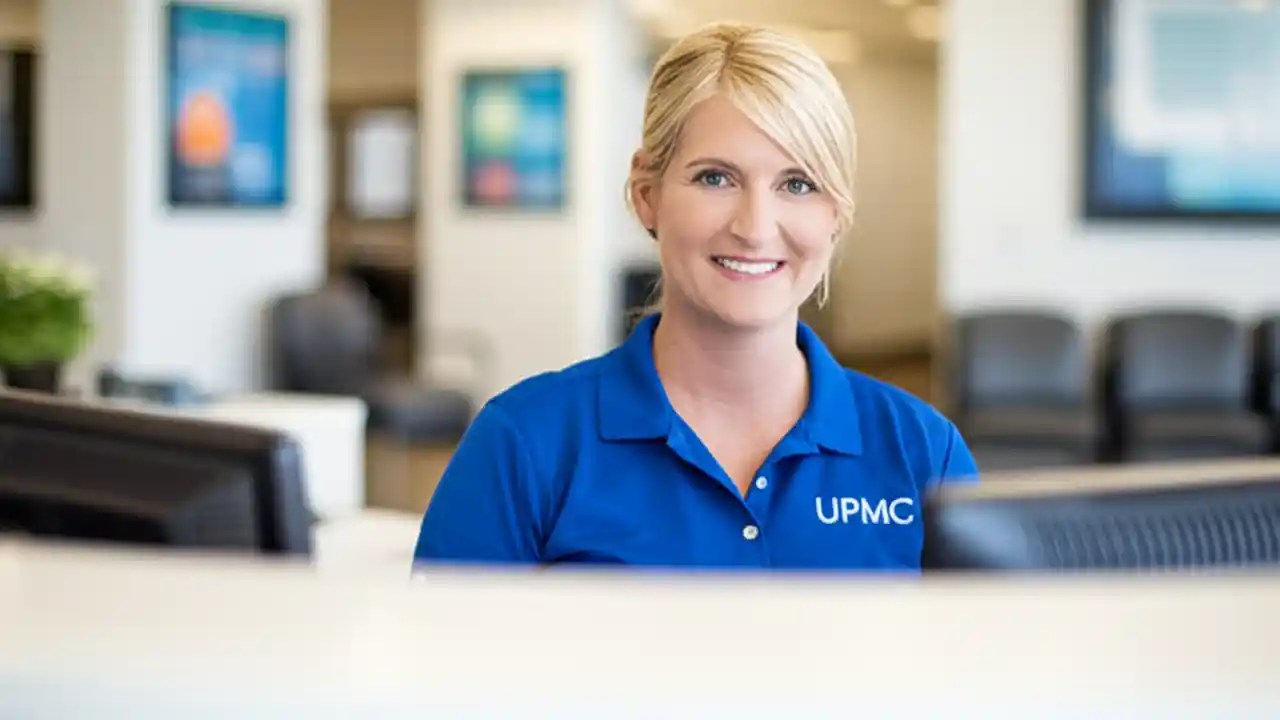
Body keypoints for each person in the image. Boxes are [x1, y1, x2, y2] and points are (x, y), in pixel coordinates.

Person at [414, 23, 977, 570]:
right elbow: (437, 662)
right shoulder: (526, 443)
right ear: (646, 194)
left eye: (798, 184)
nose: (755, 227)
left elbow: (992, 661)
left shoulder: (923, 453)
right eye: (716, 178)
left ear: (836, 215)